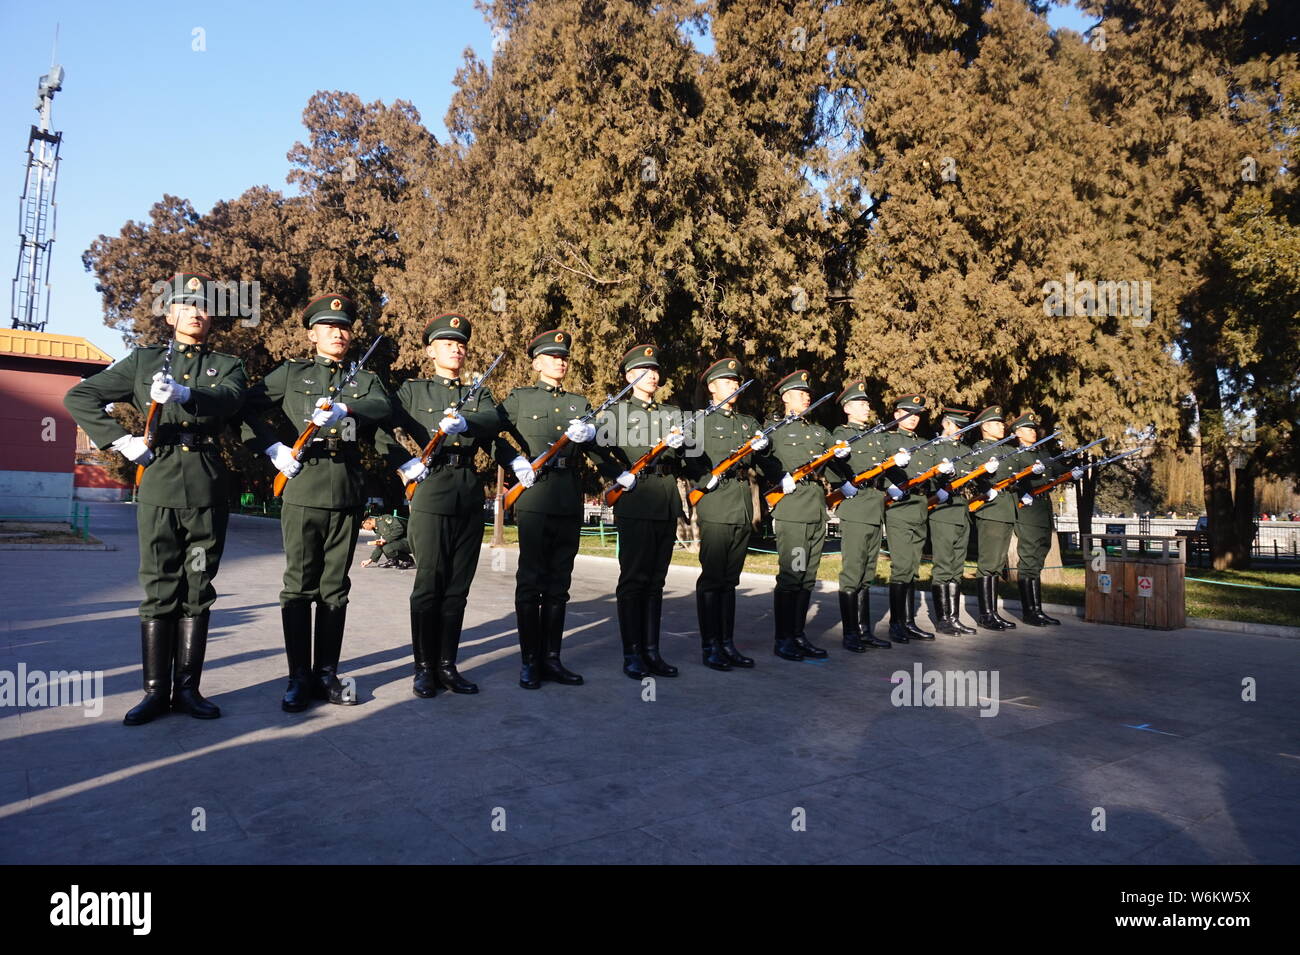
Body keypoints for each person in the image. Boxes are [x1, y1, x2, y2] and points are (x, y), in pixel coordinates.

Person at [64, 272, 247, 725]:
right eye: (186, 306)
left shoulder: (227, 365)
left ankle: (188, 689)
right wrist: (120, 441)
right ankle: (154, 691)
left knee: (198, 585)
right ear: (170, 316)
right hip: (160, 479)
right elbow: (80, 397)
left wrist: (187, 394)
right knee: (160, 584)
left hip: (205, 484)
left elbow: (230, 401)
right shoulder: (143, 362)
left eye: (203, 306)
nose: (196, 313)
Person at [240, 293, 393, 711]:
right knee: (298, 585)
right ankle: (297, 677)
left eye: (343, 327)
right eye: (328, 327)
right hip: (303, 485)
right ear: (312, 335)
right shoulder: (292, 374)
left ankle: (327, 673)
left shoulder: (364, 379)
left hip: (345, 488)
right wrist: (274, 448)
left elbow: (385, 407)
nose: (338, 333)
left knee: (334, 587)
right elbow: (243, 407)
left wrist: (347, 407)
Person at [377, 312, 504, 696]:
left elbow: (496, 427)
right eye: (448, 343)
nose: (457, 348)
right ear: (431, 351)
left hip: (468, 490)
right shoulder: (414, 392)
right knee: (429, 582)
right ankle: (423, 667)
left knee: (457, 586)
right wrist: (405, 463)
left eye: (462, 344)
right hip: (430, 488)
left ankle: (448, 665)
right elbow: (381, 431)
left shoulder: (478, 392)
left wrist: (473, 428)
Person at [494, 329, 627, 689]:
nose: (560, 361)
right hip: (535, 495)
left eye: (564, 356)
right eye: (552, 356)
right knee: (531, 581)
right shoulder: (520, 399)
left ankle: (552, 658)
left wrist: (618, 474)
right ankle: (528, 661)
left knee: (559, 584)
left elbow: (599, 447)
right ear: (536, 362)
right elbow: (490, 435)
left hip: (569, 497)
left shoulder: (579, 403)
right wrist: (516, 461)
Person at [598, 344, 687, 679]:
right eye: (644, 371)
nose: (652, 375)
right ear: (629, 376)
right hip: (634, 499)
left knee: (656, 582)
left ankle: (652, 651)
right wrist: (615, 474)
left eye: (655, 370)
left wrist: (681, 448)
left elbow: (687, 459)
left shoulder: (673, 414)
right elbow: (597, 450)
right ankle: (632, 653)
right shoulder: (615, 414)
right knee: (634, 580)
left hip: (664, 499)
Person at [682, 358, 774, 670]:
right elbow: (686, 458)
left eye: (735, 382)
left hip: (741, 504)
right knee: (713, 578)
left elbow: (763, 464)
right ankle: (710, 646)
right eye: (726, 382)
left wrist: (763, 448)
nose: (733, 386)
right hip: (716, 503)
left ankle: (727, 643)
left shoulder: (748, 423)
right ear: (711, 387)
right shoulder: (698, 421)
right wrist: (701, 476)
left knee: (730, 580)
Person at [765, 371, 857, 660]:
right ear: (785, 398)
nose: (806, 397)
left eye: (807, 393)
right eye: (800, 392)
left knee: (807, 577)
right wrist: (779, 478)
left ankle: (798, 634)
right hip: (792, 510)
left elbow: (828, 465)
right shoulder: (773, 430)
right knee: (792, 575)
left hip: (816, 509)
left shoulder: (819, 433)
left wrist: (845, 478)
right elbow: (761, 461)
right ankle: (783, 639)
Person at [829, 382, 892, 651]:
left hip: (875, 505)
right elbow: (831, 469)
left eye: (867, 403)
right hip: (855, 506)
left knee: (868, 572)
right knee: (853, 571)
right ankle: (850, 633)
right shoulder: (841, 434)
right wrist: (842, 483)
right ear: (847, 408)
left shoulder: (876, 436)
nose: (867, 407)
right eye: (861, 403)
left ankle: (865, 630)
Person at [876, 394, 944, 642]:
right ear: (896, 415)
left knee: (912, 568)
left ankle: (909, 621)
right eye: (908, 414)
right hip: (899, 506)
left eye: (916, 415)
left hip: (919, 504)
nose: (913, 419)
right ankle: (896, 623)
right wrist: (888, 484)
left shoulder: (926, 444)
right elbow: (876, 467)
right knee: (902, 566)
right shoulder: (887, 440)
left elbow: (932, 475)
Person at [1009, 412, 1072, 626]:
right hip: (1027, 507)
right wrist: (1022, 488)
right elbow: (1008, 480)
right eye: (1028, 429)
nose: (1033, 432)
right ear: (1017, 433)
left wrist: (1072, 467)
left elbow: (1058, 469)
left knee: (1039, 555)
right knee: (1029, 557)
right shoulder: (1015, 455)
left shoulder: (1042, 453)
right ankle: (1029, 612)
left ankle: (1037, 609)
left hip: (1043, 507)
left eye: (1034, 429)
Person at [927, 406, 978, 635]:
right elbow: (924, 479)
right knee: (943, 565)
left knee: (957, 566)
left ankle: (954, 617)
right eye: (956, 426)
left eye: (962, 427)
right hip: (943, 511)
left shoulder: (966, 451)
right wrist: (938, 489)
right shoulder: (934, 449)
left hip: (960, 509)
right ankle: (942, 619)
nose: (959, 431)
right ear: (946, 424)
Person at [969, 405, 1018, 630]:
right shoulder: (980, 448)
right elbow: (975, 475)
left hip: (1006, 508)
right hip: (991, 509)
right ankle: (986, 614)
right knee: (988, 563)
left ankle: (993, 613)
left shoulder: (1005, 449)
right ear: (985, 427)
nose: (1002, 426)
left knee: (997, 564)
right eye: (997, 423)